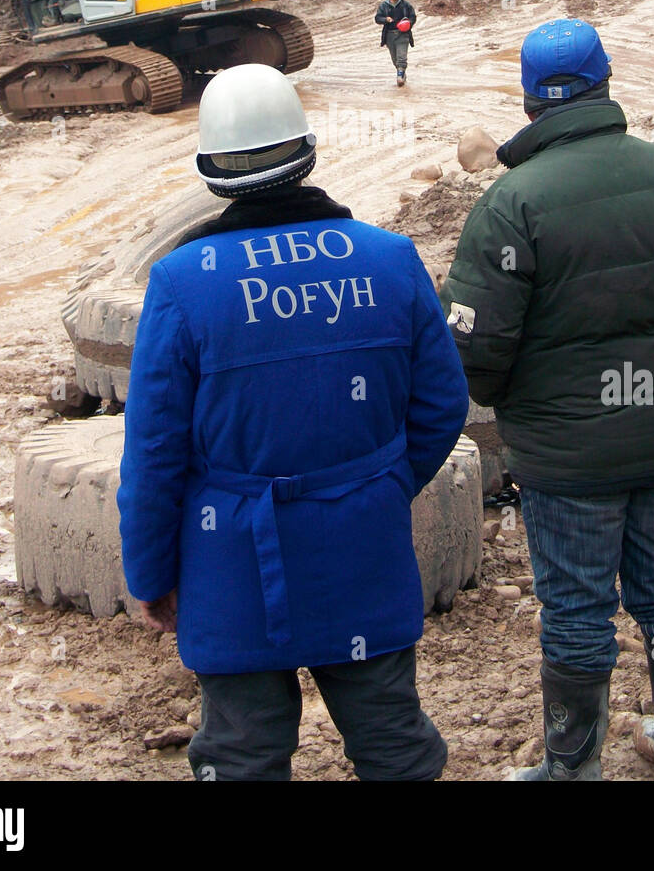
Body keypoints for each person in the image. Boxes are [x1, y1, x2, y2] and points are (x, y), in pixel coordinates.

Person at [117, 64, 468, 782]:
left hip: (231, 559)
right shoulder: (390, 260)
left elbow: (154, 452)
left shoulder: (182, 283)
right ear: (307, 152)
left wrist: (150, 573)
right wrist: (379, 485)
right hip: (361, 542)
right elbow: (440, 405)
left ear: (212, 170)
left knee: (242, 752)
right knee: (392, 739)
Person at [441, 18, 654, 781]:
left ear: (528, 107)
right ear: (607, 85)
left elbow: (477, 344)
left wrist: (502, 405)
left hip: (564, 457)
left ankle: (572, 766)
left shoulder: (510, 202)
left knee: (578, 610)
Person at [375, 0, 416, 87]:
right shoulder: (383, 6)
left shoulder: (405, 4)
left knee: (402, 58)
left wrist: (408, 23)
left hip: (403, 34)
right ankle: (401, 73)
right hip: (389, 35)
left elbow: (413, 16)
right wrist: (385, 19)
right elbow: (377, 18)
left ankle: (400, 77)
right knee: (395, 60)